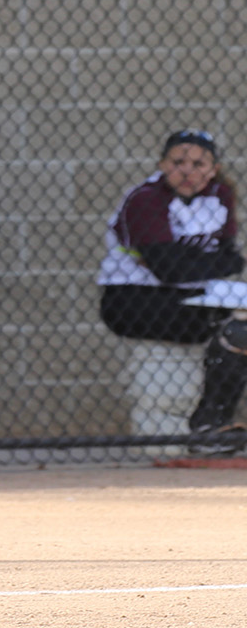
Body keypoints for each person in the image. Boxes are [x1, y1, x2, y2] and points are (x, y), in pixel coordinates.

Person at [98, 128, 247, 449]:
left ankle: (211, 422)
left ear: (213, 168)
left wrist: (189, 261)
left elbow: (232, 259)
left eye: (198, 164)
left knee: (241, 330)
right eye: (179, 162)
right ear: (163, 165)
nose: (188, 171)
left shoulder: (220, 195)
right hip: (132, 299)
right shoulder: (146, 199)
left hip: (191, 297)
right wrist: (198, 262)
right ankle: (208, 426)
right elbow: (168, 270)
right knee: (232, 328)